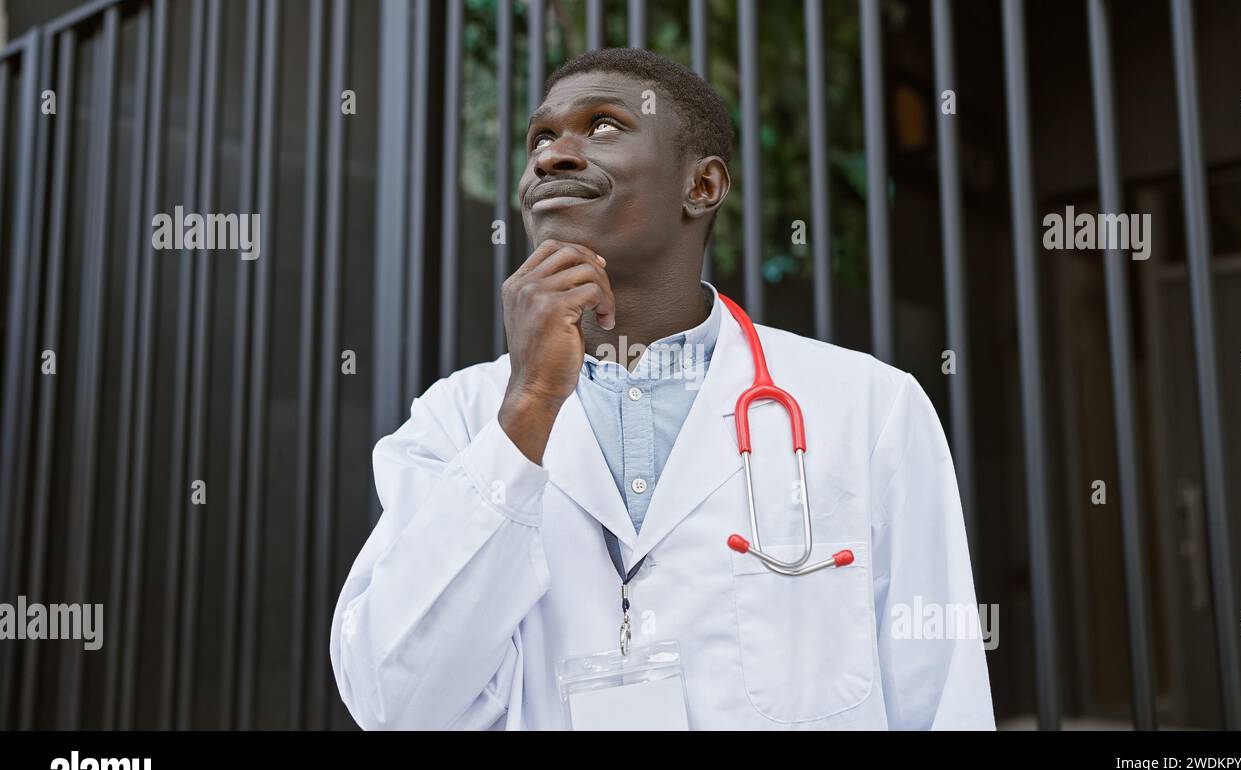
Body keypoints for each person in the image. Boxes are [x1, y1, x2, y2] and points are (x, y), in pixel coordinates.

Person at [330, 47, 994, 730]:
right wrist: (526, 410)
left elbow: (942, 697)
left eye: (604, 126)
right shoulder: (457, 420)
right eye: (541, 137)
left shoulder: (869, 408)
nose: (553, 155)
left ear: (701, 186)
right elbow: (394, 700)